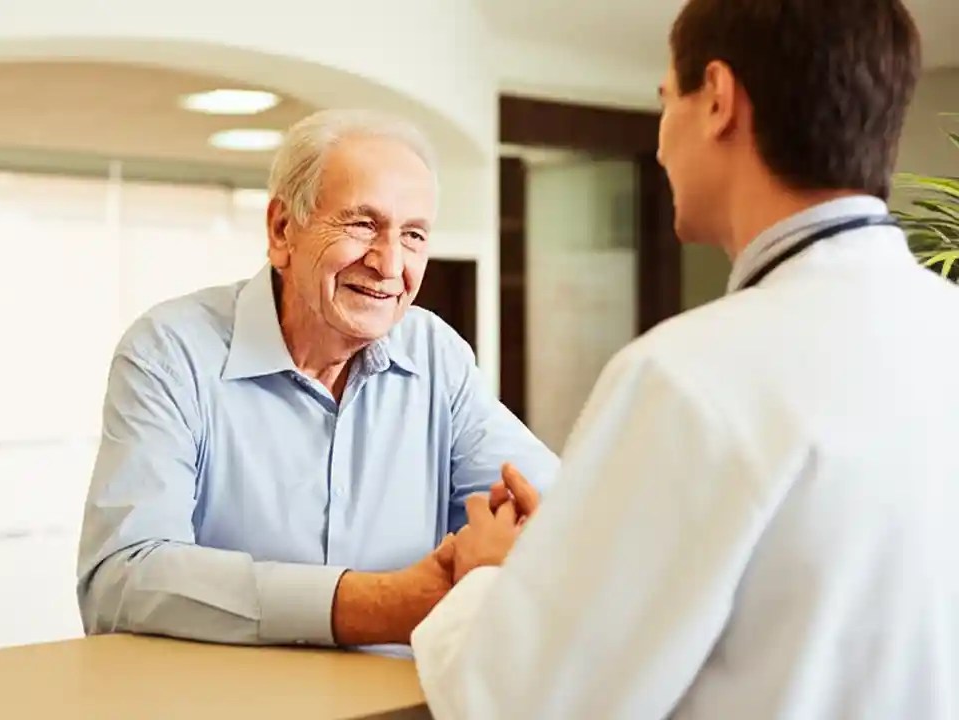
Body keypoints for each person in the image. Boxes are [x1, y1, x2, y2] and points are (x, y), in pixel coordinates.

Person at [412, 0, 958, 717]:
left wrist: (488, 577)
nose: (662, 142)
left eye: (666, 102)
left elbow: (521, 701)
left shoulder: (688, 376)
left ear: (719, 101)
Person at [76, 109, 558, 649]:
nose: (390, 263)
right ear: (283, 230)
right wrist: (380, 604)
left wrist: (510, 546)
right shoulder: (171, 351)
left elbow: (552, 509)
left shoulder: (435, 353)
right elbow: (120, 581)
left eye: (414, 235)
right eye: (362, 225)